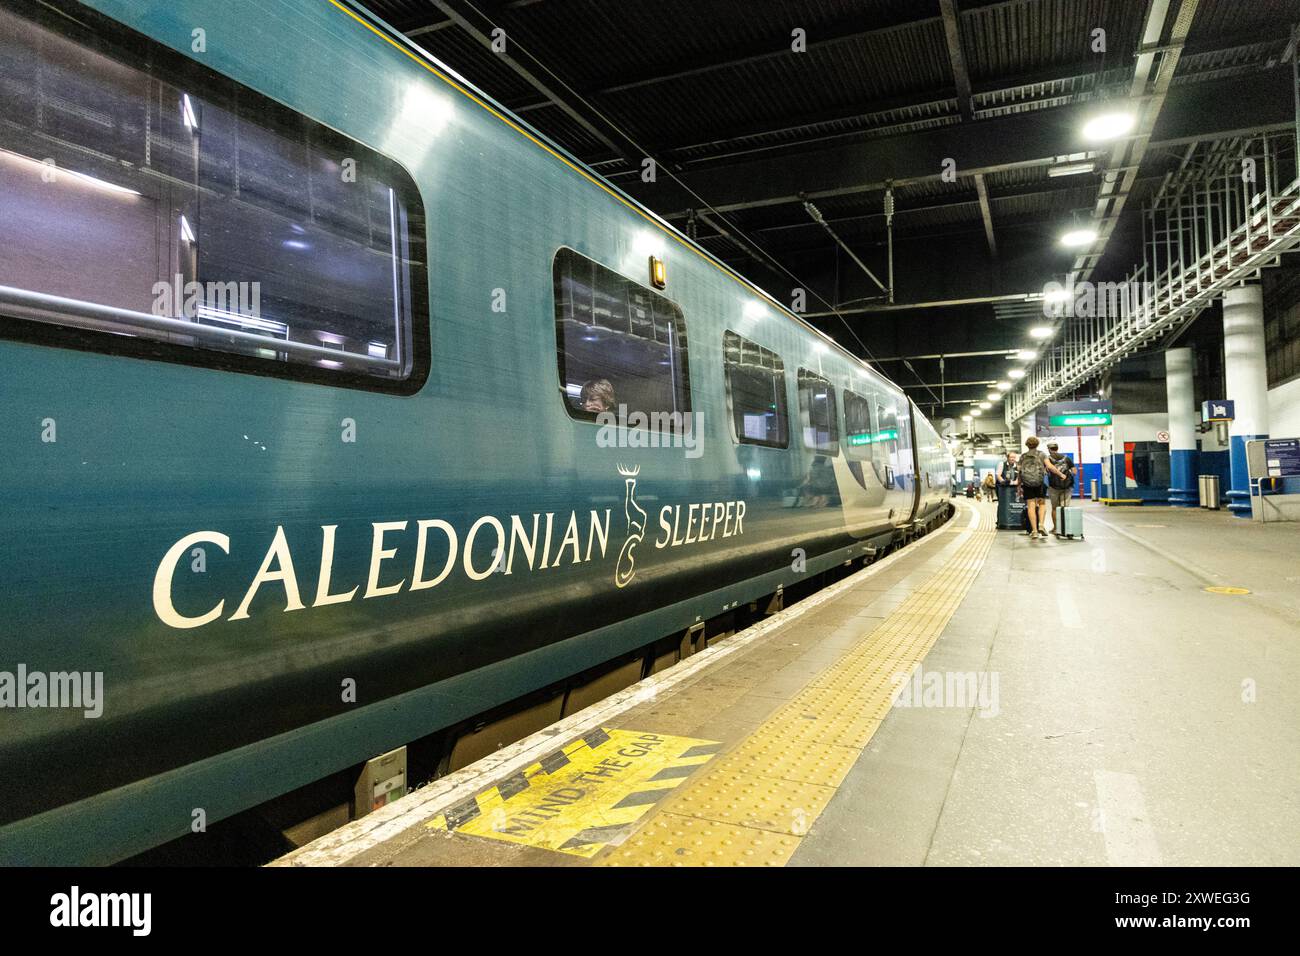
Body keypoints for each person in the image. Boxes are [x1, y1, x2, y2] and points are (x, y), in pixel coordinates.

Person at [1016, 436, 1066, 539]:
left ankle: (1034, 531)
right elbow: (1050, 467)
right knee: (1042, 503)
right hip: (1039, 483)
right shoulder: (1042, 454)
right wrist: (1061, 474)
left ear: (1027, 445)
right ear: (1037, 444)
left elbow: (1019, 472)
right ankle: (1041, 525)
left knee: (1031, 506)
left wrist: (1018, 485)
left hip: (1027, 484)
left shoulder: (1023, 456)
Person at [1045, 442, 1076, 532]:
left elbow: (1045, 472)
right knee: (1064, 508)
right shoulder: (1067, 458)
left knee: (1054, 508)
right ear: (1057, 448)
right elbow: (1074, 472)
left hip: (1053, 487)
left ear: (1049, 449)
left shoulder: (1047, 459)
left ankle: (1055, 528)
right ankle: (1064, 528)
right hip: (1067, 487)